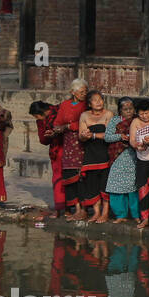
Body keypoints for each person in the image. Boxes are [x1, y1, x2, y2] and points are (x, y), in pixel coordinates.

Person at [52, 78, 88, 219]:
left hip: (83, 143)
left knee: (83, 176)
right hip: (69, 144)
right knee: (71, 176)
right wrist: (56, 129)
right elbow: (57, 123)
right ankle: (77, 208)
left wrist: (68, 126)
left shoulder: (87, 105)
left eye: (85, 91)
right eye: (81, 92)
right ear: (73, 92)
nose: (84, 94)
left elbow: (88, 122)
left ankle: (84, 208)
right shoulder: (65, 105)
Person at [77, 90, 113, 222]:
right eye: (95, 100)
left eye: (100, 99)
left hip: (104, 154)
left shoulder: (108, 114)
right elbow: (81, 135)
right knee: (91, 184)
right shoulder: (84, 115)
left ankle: (105, 213)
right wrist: (84, 135)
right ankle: (96, 212)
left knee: (105, 184)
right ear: (89, 103)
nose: (98, 102)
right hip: (90, 155)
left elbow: (109, 135)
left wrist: (92, 135)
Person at [103, 97, 138, 222]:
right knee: (116, 187)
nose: (129, 111)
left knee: (133, 188)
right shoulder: (115, 120)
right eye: (125, 109)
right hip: (117, 158)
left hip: (133, 157)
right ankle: (120, 215)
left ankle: (136, 215)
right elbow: (107, 137)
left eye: (131, 109)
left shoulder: (137, 120)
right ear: (120, 111)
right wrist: (120, 136)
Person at [31, 100, 66, 215]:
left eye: (37, 116)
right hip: (56, 151)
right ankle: (61, 208)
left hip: (70, 147)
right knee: (58, 178)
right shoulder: (41, 121)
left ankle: (75, 208)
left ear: (41, 112)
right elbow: (43, 140)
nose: (38, 118)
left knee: (69, 178)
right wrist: (48, 134)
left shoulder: (61, 110)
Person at [129, 98, 149, 226]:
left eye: (146, 113)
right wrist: (137, 146)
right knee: (143, 188)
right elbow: (132, 140)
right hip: (142, 160)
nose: (144, 116)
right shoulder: (135, 122)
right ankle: (145, 217)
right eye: (141, 113)